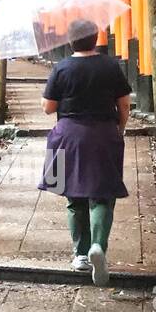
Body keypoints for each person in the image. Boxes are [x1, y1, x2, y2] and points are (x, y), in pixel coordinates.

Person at [37, 17, 132, 287]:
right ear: (96, 38)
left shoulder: (62, 68)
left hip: (68, 135)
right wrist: (120, 129)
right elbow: (124, 104)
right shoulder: (110, 66)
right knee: (102, 194)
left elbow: (49, 107)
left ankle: (80, 254)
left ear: (70, 41)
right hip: (103, 134)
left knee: (73, 195)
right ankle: (98, 246)